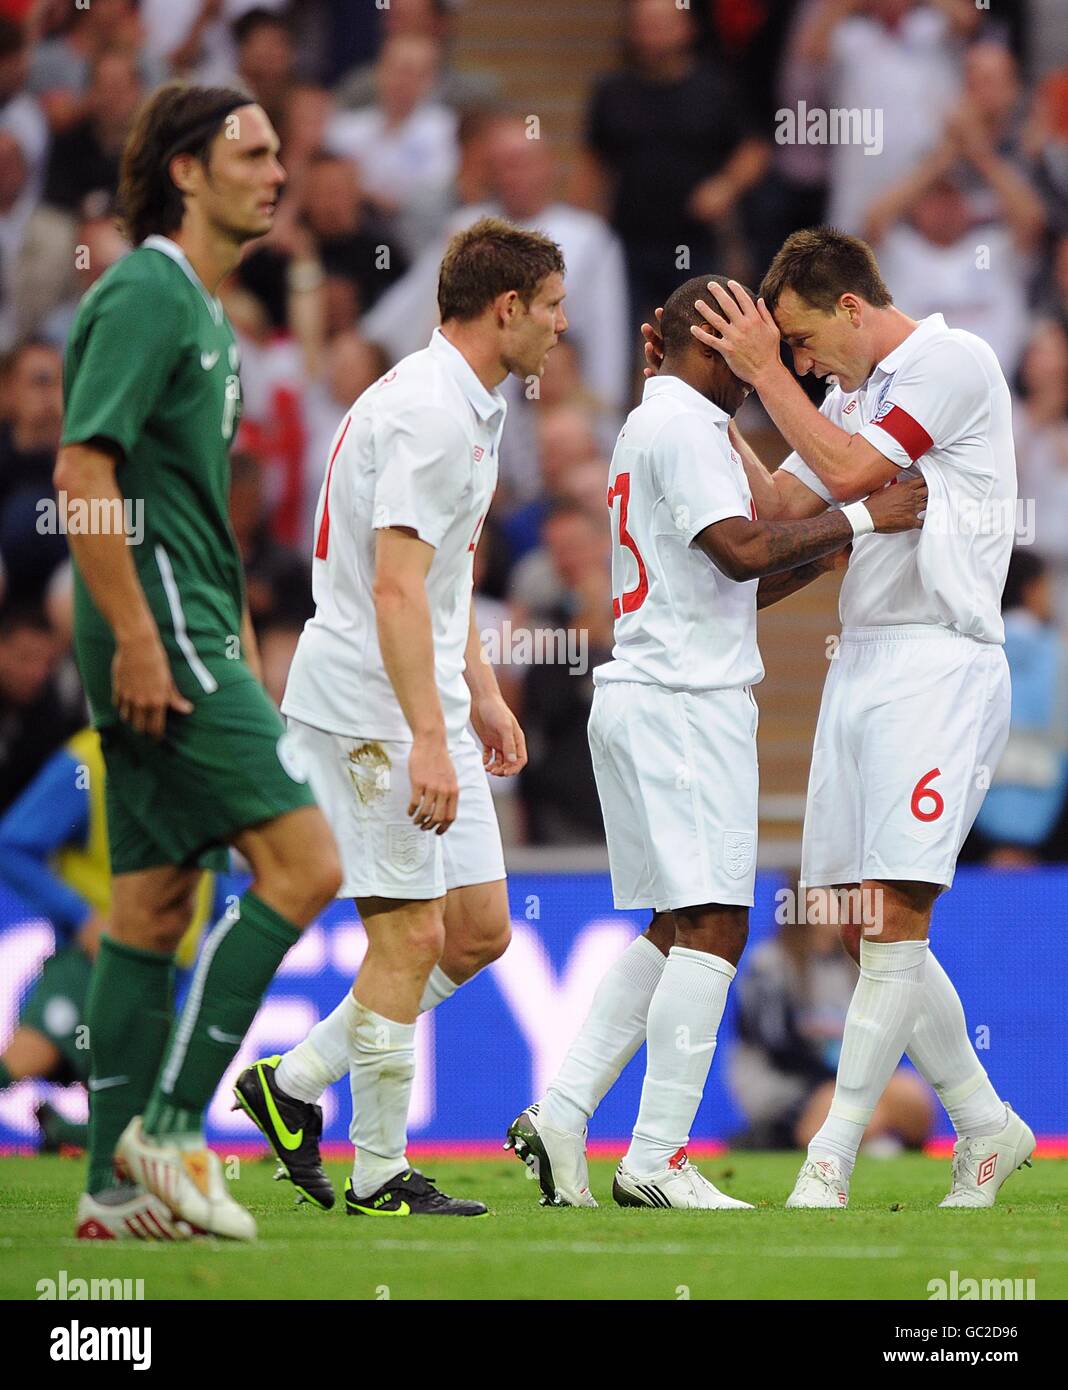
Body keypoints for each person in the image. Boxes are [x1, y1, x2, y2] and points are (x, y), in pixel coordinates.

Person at [506, 275, 927, 1210]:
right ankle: (655, 1158)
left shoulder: (658, 423)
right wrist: (864, 514)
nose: (767, 361)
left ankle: (564, 1112)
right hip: (681, 704)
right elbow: (738, 548)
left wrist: (829, 552)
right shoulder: (683, 425)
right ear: (711, 342)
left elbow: (721, 582)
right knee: (719, 925)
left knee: (673, 927)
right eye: (753, 341)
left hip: (652, 689)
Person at [665, 227, 1032, 1209]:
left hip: (940, 660)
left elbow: (858, 476)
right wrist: (699, 406)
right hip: (863, 660)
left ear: (853, 310)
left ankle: (829, 1158)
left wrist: (765, 379)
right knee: (848, 924)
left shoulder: (949, 362)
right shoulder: (848, 392)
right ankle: (989, 1124)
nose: (797, 359)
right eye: (782, 348)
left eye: (801, 339)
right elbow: (788, 496)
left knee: (896, 909)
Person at [55, 81, 342, 1242]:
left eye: (281, 154)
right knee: (306, 863)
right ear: (185, 169)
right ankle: (172, 1128)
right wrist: (139, 633)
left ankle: (110, 1195)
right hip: (161, 626)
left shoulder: (206, 315)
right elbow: (84, 474)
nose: (277, 172)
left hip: (178, 622)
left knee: (152, 903)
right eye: (253, 151)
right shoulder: (145, 294)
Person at [231, 216, 563, 1218]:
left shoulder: (467, 402)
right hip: (373, 705)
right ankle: (380, 1173)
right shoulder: (425, 410)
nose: (559, 328)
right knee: (411, 933)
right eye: (549, 308)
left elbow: (446, 579)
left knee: (478, 930)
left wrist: (484, 693)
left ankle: (290, 1085)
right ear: (505, 308)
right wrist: (429, 731)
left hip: (423, 693)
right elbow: (395, 592)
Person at [0, 727, 217, 1157]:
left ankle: (63, 1133)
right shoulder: (87, 762)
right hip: (104, 956)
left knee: (141, 1121)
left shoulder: (202, 759)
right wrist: (81, 916)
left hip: (172, 961)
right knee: (32, 1052)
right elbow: (12, 845)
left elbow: (214, 866)